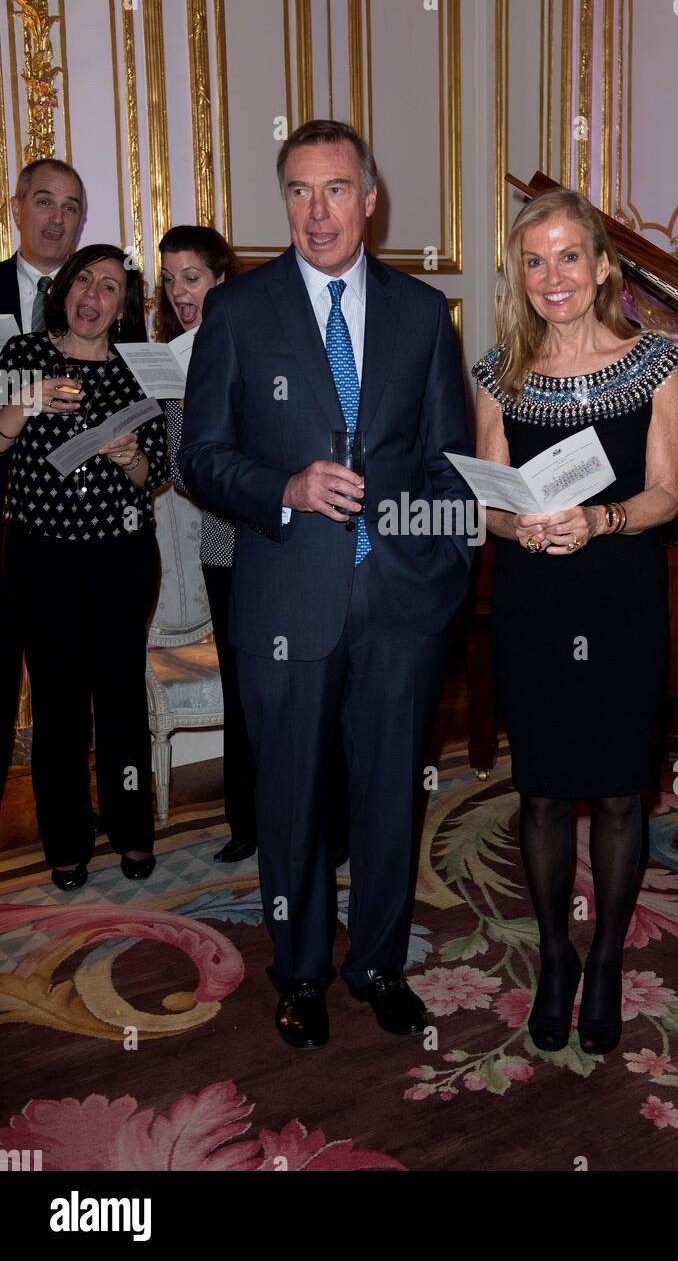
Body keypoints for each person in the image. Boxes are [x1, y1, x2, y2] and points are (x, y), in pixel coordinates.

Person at [179, 119, 473, 1049]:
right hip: (285, 606)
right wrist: (284, 489)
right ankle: (299, 971)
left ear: (370, 199)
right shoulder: (239, 310)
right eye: (300, 192)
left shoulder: (423, 314)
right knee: (292, 799)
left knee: (392, 794)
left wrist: (441, 577)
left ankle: (378, 962)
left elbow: (447, 467)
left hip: (399, 606)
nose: (318, 212)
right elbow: (199, 459)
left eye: (336, 189)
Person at [472, 189, 678, 1056]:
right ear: (517, 275)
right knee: (544, 788)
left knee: (618, 791)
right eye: (534, 260)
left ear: (600, 267)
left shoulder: (657, 361)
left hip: (620, 591)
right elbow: (486, 495)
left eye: (568, 257)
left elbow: (667, 495)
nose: (551, 276)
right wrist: (512, 520)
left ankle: (605, 963)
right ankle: (554, 955)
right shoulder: (497, 373)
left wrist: (599, 520)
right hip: (533, 598)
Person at [0, 243, 168, 890]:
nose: (93, 295)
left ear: (123, 305)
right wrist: (29, 402)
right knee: (59, 704)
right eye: (84, 281)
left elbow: (157, 472)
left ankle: (131, 831)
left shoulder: (139, 369)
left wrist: (129, 458)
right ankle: (66, 843)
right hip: (41, 559)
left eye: (109, 287)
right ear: (65, 289)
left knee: (121, 698)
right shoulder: (24, 355)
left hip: (121, 557)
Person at [156, 225, 257, 863]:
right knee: (243, 691)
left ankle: (320, 817)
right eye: (168, 281)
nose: (178, 293)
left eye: (190, 277)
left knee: (303, 690)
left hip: (288, 546)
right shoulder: (173, 361)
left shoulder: (261, 340)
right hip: (225, 549)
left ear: (221, 279)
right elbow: (177, 470)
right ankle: (245, 823)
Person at [0, 159, 86, 799]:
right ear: (16, 209)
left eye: (72, 207)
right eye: (45, 202)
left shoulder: (108, 301)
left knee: (69, 688)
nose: (57, 218)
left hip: (78, 536)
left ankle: (71, 828)